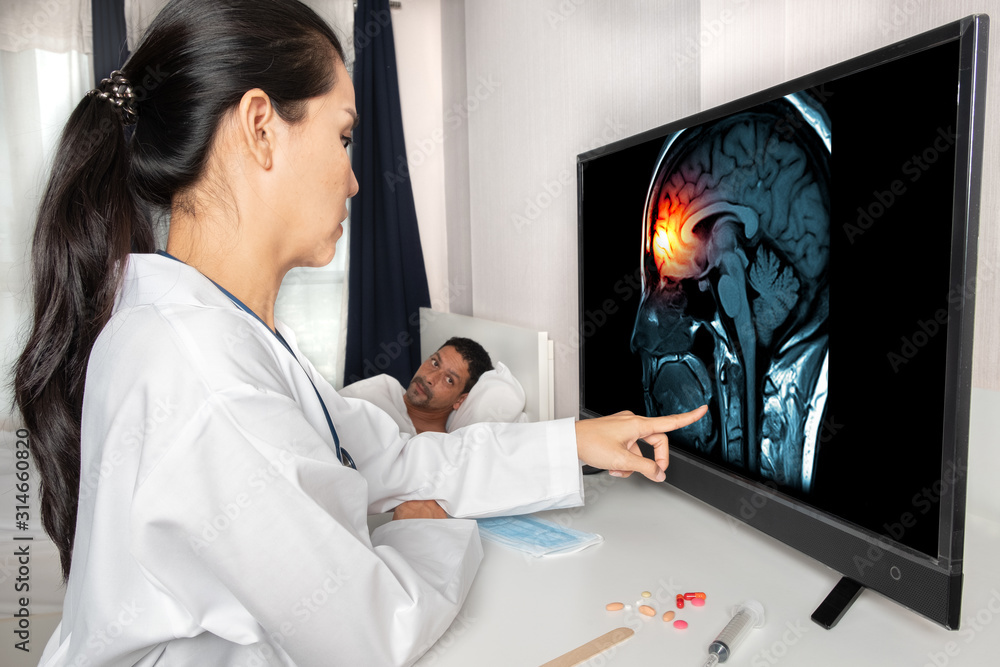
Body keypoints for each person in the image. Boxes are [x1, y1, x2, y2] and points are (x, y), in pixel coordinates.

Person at [12, 1, 707, 665]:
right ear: (260, 127)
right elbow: (374, 633)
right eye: (343, 137)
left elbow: (398, 460)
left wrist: (576, 441)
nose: (353, 180)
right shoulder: (203, 380)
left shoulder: (211, 334)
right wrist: (428, 530)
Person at [340, 337, 494, 434]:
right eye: (434, 363)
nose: (429, 378)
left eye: (449, 380)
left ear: (460, 400)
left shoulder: (438, 448)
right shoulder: (380, 389)